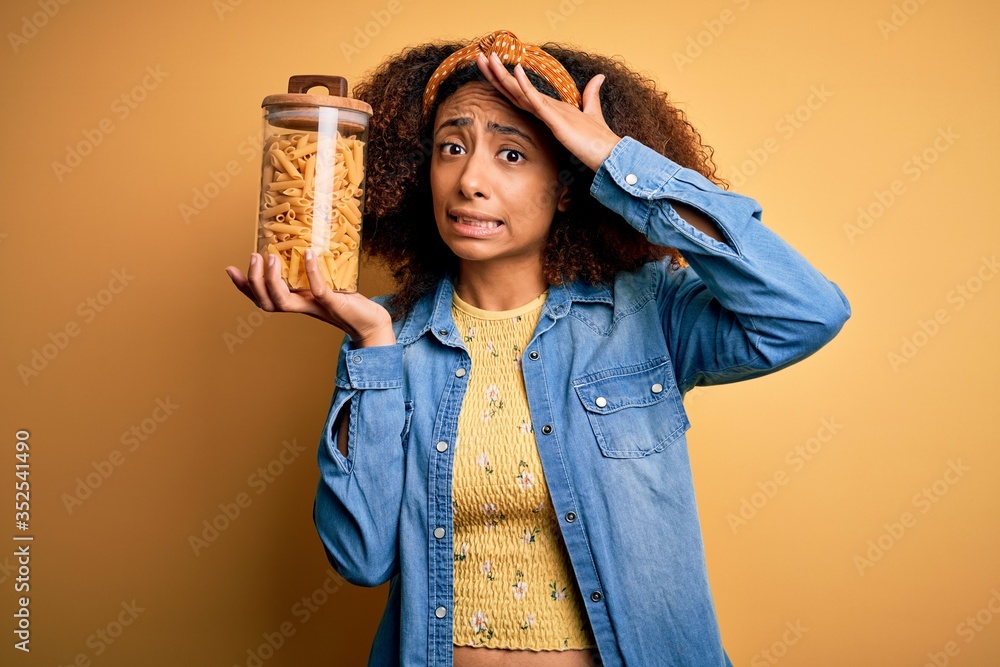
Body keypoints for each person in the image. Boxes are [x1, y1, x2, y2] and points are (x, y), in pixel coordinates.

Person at [226, 29, 850, 667]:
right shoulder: (390, 339)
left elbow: (806, 312)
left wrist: (617, 161)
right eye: (451, 147)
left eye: (513, 155)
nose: (471, 180)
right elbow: (360, 558)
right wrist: (372, 348)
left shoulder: (647, 314)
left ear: (568, 186)